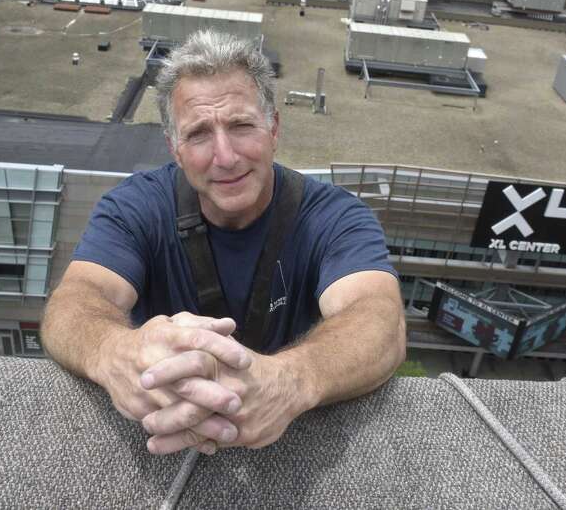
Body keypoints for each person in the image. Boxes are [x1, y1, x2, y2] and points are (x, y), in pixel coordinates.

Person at [41, 29, 405, 457]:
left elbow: (380, 320)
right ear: (174, 149)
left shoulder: (336, 217)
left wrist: (290, 381)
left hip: (286, 432)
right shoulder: (133, 208)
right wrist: (115, 352)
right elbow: (74, 301)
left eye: (241, 125)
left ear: (273, 128)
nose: (226, 156)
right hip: (161, 422)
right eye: (198, 134)